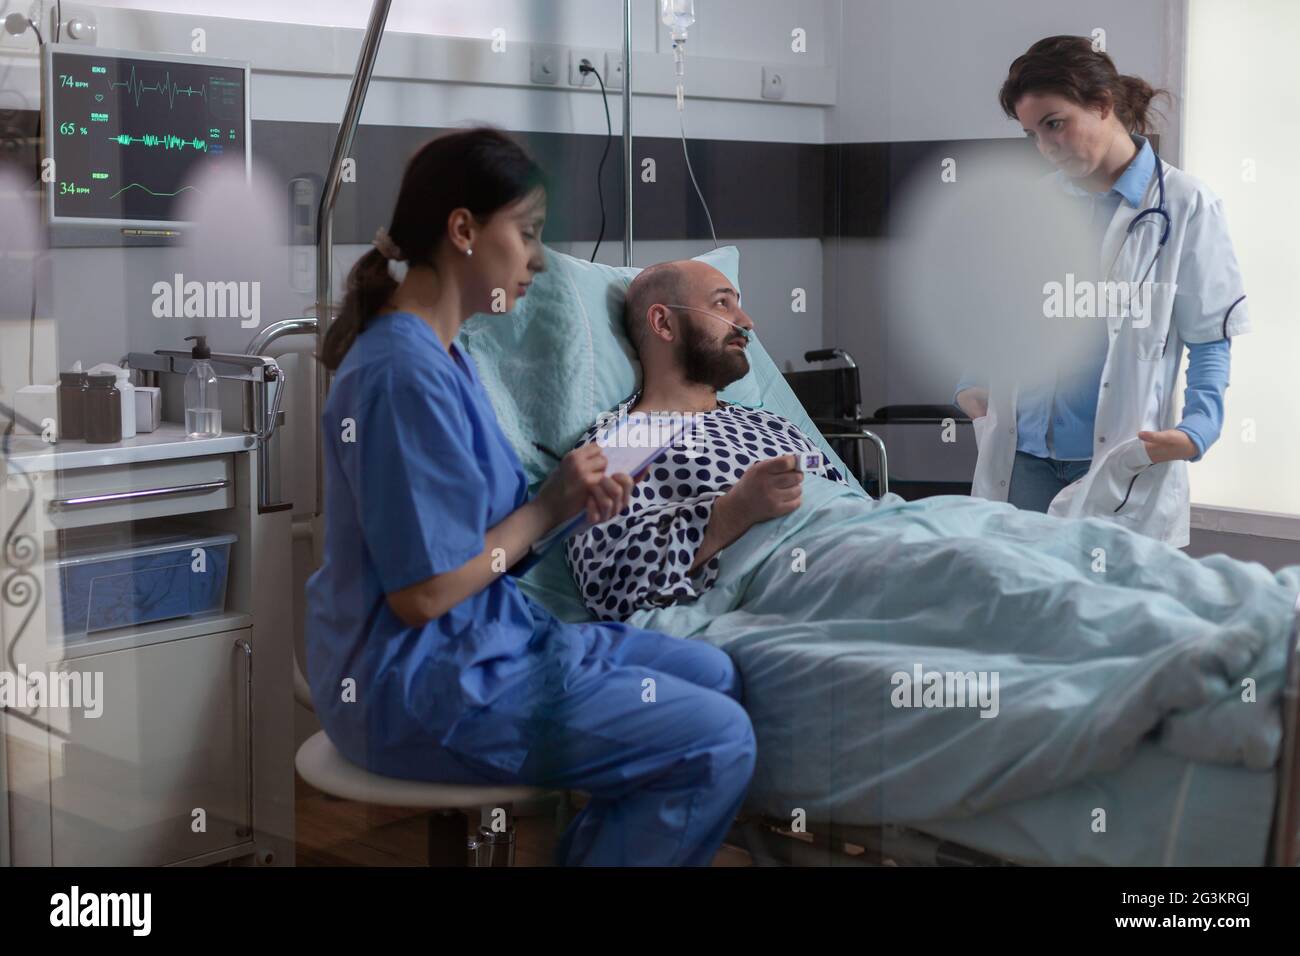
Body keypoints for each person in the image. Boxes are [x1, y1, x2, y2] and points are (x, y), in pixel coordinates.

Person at [304, 128, 755, 866]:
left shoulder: (446, 358)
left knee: (717, 673)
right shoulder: (400, 375)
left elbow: (486, 538)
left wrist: (568, 501)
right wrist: (547, 507)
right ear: (463, 230)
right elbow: (420, 596)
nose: (540, 261)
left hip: (488, 643)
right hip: (420, 685)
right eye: (529, 234)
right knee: (715, 737)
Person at [955, 35, 1248, 547]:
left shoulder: (1185, 204)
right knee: (1023, 612)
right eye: (1032, 135)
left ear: (1103, 104)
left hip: (1122, 459)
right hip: (1021, 457)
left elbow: (1210, 333)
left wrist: (1199, 427)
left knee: (1116, 616)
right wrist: (973, 382)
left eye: (1055, 124)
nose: (1046, 148)